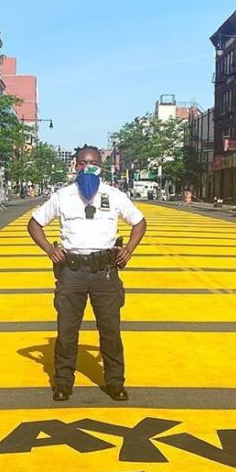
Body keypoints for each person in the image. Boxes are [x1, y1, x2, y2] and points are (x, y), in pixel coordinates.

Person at [28, 144, 147, 402]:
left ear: (100, 167)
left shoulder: (114, 195)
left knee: (110, 330)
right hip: (72, 271)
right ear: (76, 166)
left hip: (105, 272)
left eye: (92, 163)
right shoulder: (63, 196)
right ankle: (63, 382)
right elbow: (34, 224)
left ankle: (115, 382)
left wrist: (129, 249)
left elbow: (139, 222)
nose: (87, 167)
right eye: (83, 163)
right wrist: (50, 249)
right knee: (67, 331)